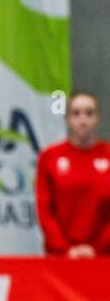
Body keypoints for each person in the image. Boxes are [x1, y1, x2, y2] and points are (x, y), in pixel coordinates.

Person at [36, 91, 110, 259]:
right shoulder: (49, 157)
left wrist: (97, 249)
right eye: (76, 113)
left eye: (89, 113)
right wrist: (64, 249)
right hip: (60, 258)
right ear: (67, 119)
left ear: (97, 117)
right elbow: (45, 209)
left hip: (105, 258)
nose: (83, 120)